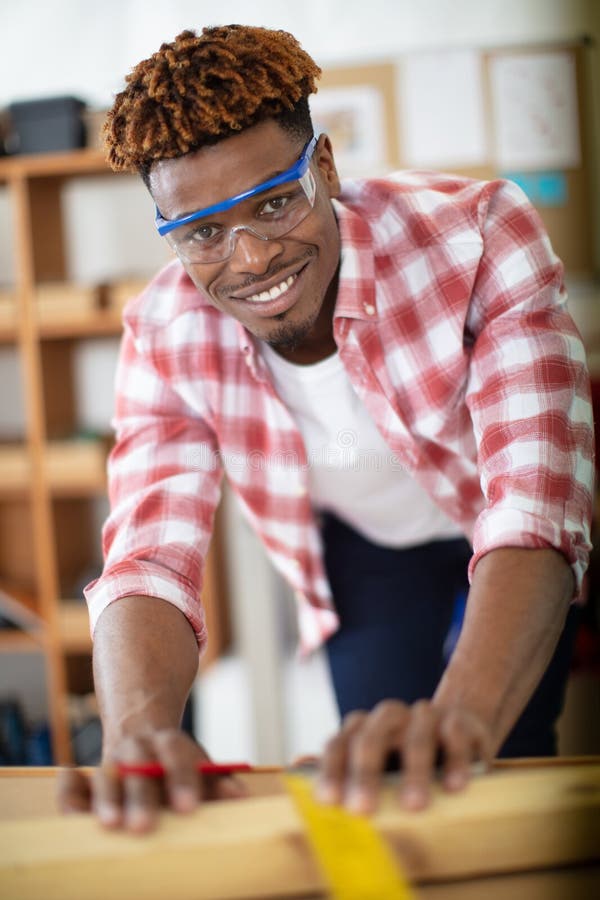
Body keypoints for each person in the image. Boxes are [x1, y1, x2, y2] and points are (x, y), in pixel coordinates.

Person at [59, 25, 593, 832]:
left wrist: (465, 719)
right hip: (369, 551)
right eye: (202, 231)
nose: (250, 259)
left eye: (275, 202)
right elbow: (148, 557)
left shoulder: (478, 234)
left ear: (327, 168)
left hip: (502, 531)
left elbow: (533, 501)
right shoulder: (164, 332)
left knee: (495, 757)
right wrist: (135, 735)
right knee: (380, 780)